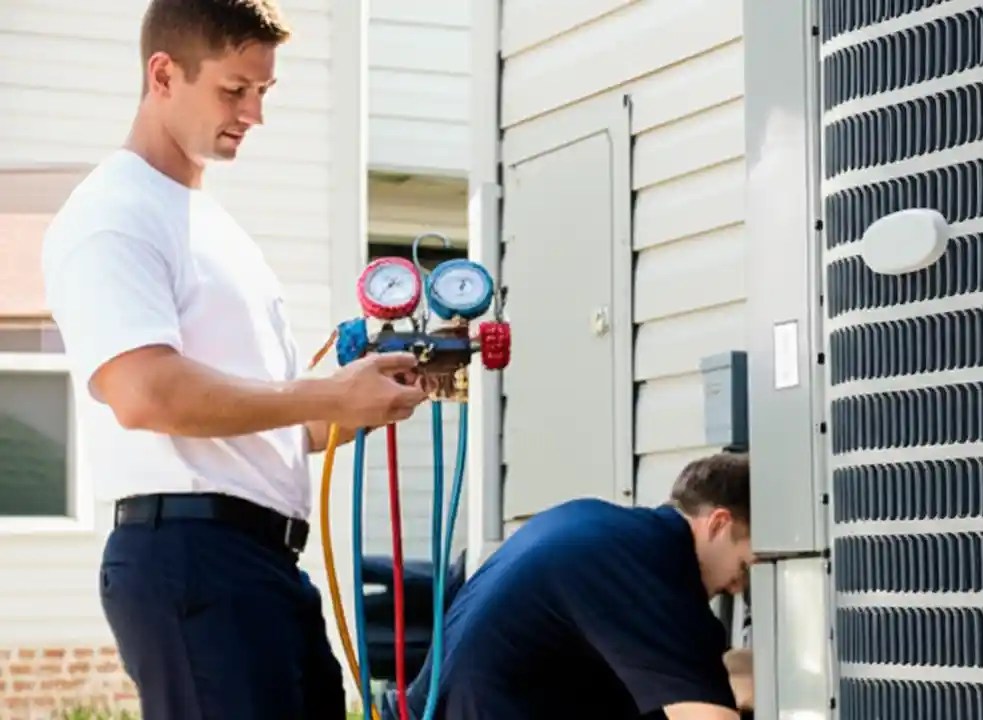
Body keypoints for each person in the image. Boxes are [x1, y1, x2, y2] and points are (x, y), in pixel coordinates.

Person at [40, 1, 433, 717]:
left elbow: (282, 428)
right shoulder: (112, 214)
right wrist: (326, 395)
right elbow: (145, 393)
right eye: (234, 90)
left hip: (262, 567)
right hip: (193, 562)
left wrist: (370, 397)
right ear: (164, 74)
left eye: (263, 91)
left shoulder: (213, 227)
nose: (254, 113)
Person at [383, 452, 758, 719]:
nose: (739, 586)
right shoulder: (649, 569)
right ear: (719, 524)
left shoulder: (615, 535)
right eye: (745, 565)